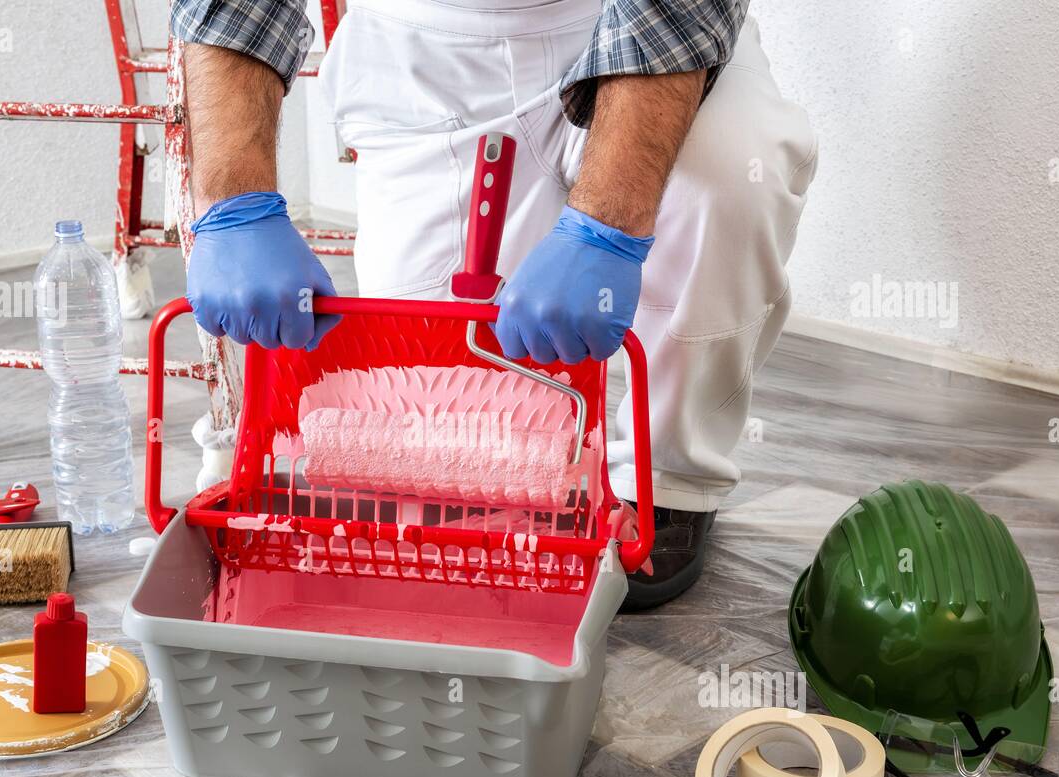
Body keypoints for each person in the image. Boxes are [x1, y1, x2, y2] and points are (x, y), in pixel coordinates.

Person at [174, 0, 817, 610]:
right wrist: (234, 202)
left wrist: (608, 228)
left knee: (730, 177)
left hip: (633, 26)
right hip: (428, 57)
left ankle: (672, 480)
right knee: (431, 410)